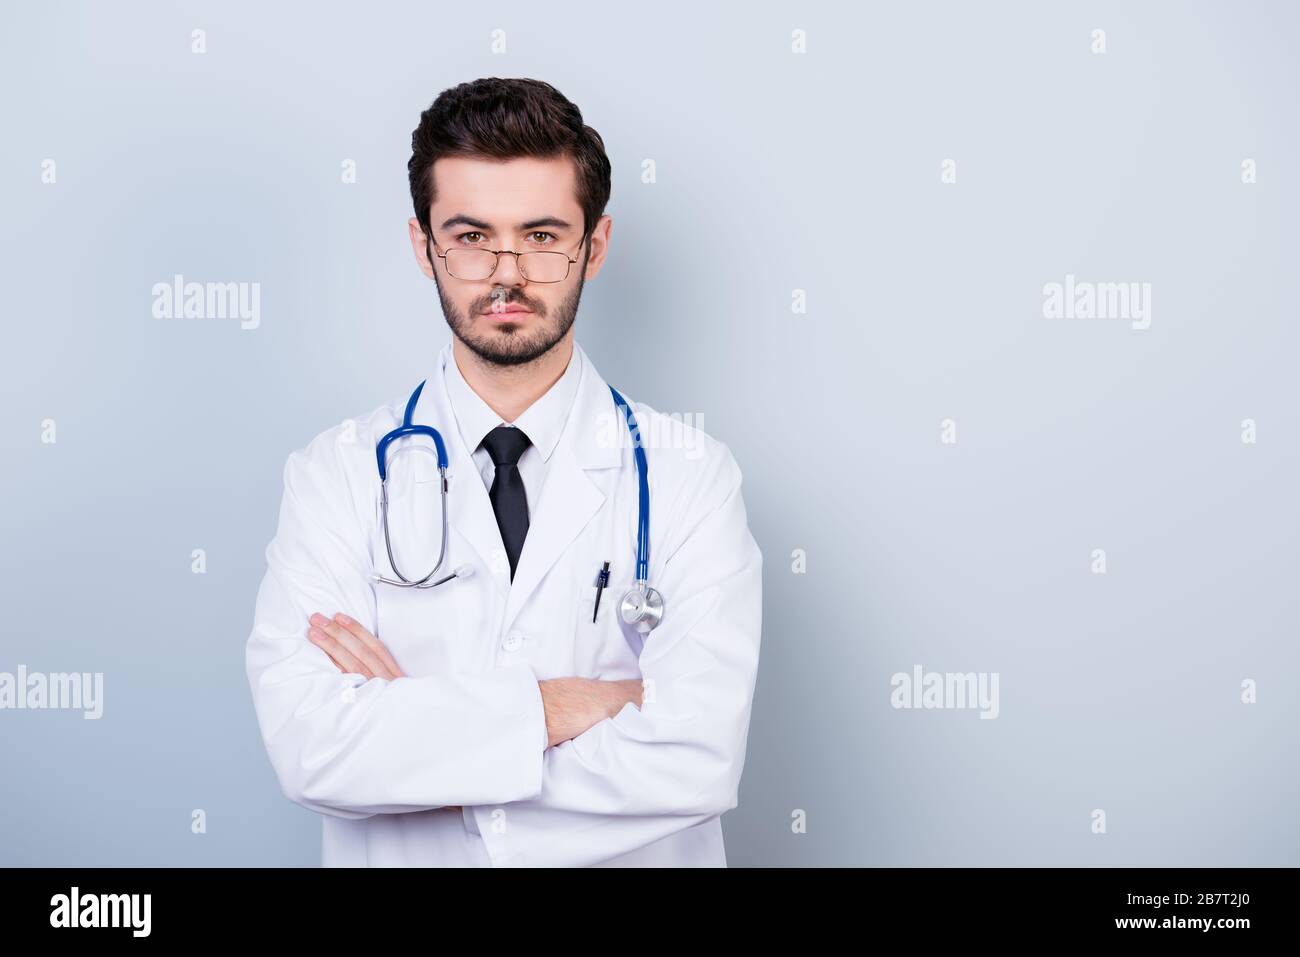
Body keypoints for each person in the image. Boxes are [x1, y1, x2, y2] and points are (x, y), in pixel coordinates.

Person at [244, 77, 763, 867]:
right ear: (425, 247)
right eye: (472, 235)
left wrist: (418, 743)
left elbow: (698, 758)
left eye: (543, 235)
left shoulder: (691, 476)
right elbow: (314, 746)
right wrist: (576, 705)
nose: (507, 272)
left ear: (596, 244)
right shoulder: (335, 475)